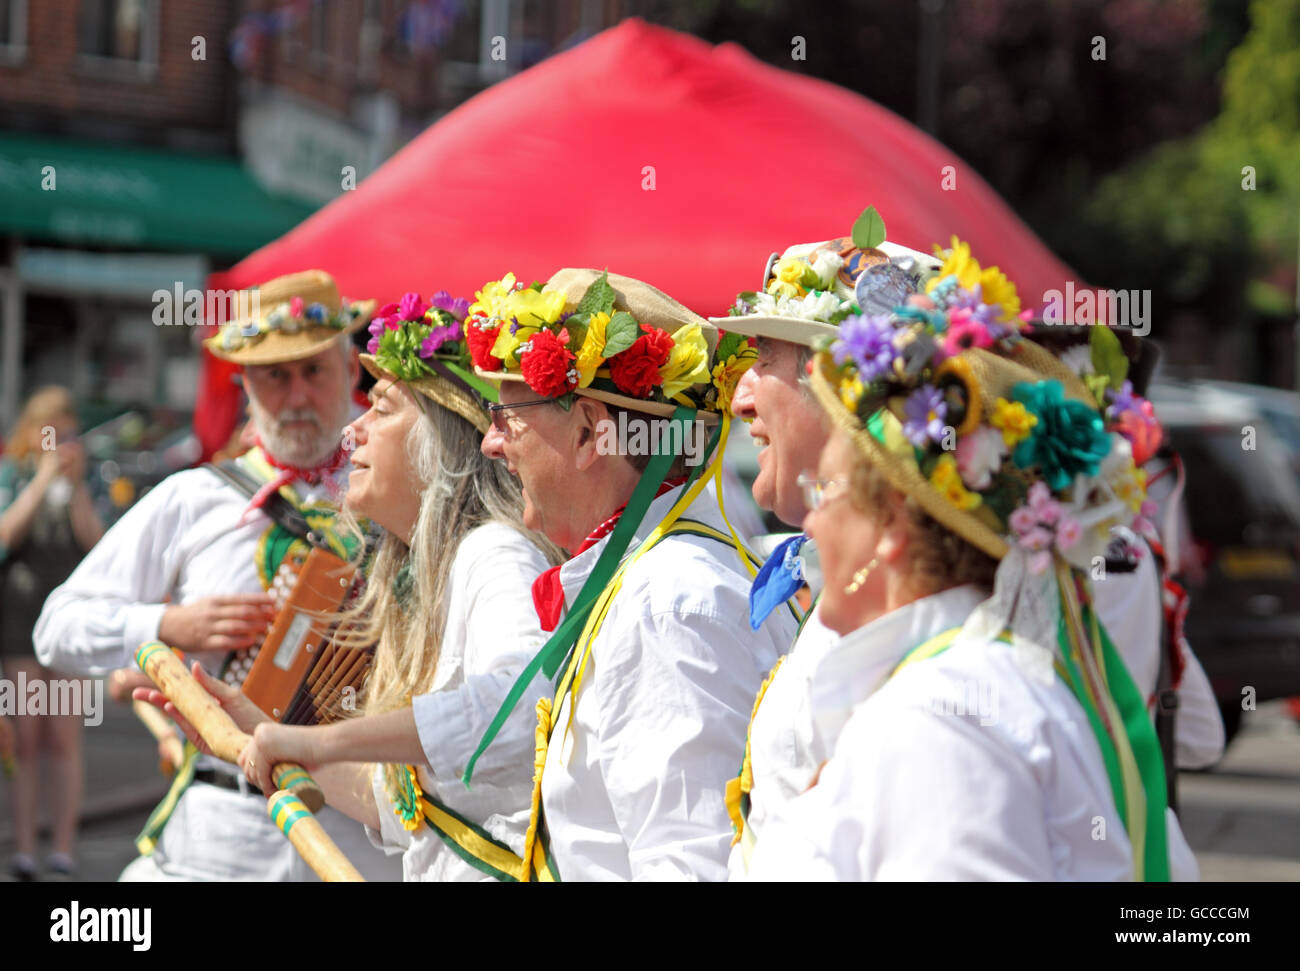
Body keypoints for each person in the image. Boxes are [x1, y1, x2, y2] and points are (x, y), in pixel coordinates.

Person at [717, 210, 1223, 876]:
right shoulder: (955, 682)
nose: (809, 523)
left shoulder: (946, 714)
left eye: (831, 493)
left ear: (897, 518)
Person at [153, 289, 564, 881]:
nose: (355, 430)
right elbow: (405, 812)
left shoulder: (492, 553)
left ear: (444, 440)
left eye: (385, 409)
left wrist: (328, 741)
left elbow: (518, 714)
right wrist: (264, 732)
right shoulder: (431, 576)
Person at [34, 270, 399, 882]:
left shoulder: (395, 487)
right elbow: (56, 627)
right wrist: (168, 624)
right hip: (224, 830)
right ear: (246, 386)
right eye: (274, 376)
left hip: (362, 830)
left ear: (352, 369)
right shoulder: (193, 497)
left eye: (314, 369)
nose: (297, 395)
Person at [460, 268, 794, 880]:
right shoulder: (658, 579)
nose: (490, 443)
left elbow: (691, 866)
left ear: (590, 431)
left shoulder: (667, 599)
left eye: (508, 415)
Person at [0, 386, 104, 879]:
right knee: (24, 737)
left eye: (67, 432)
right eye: (52, 432)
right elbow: (5, 534)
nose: (61, 441)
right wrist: (41, 479)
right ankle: (23, 847)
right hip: (20, 619)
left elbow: (98, 546)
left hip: (67, 621)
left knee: (63, 738)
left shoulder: (84, 480)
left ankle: (61, 848)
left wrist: (78, 486)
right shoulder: (15, 473)